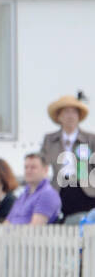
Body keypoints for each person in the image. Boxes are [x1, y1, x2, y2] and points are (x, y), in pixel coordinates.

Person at [39, 92, 95, 222]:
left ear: (79, 116)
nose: (70, 116)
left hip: (86, 189)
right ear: (59, 116)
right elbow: (43, 164)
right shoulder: (50, 139)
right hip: (59, 188)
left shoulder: (90, 139)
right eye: (66, 112)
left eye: (74, 112)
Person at [5, 152, 61, 225]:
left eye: (33, 167)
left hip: (25, 235)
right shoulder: (23, 195)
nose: (28, 171)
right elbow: (7, 222)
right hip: (9, 234)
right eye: (26, 167)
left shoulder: (48, 194)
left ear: (45, 170)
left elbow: (34, 229)